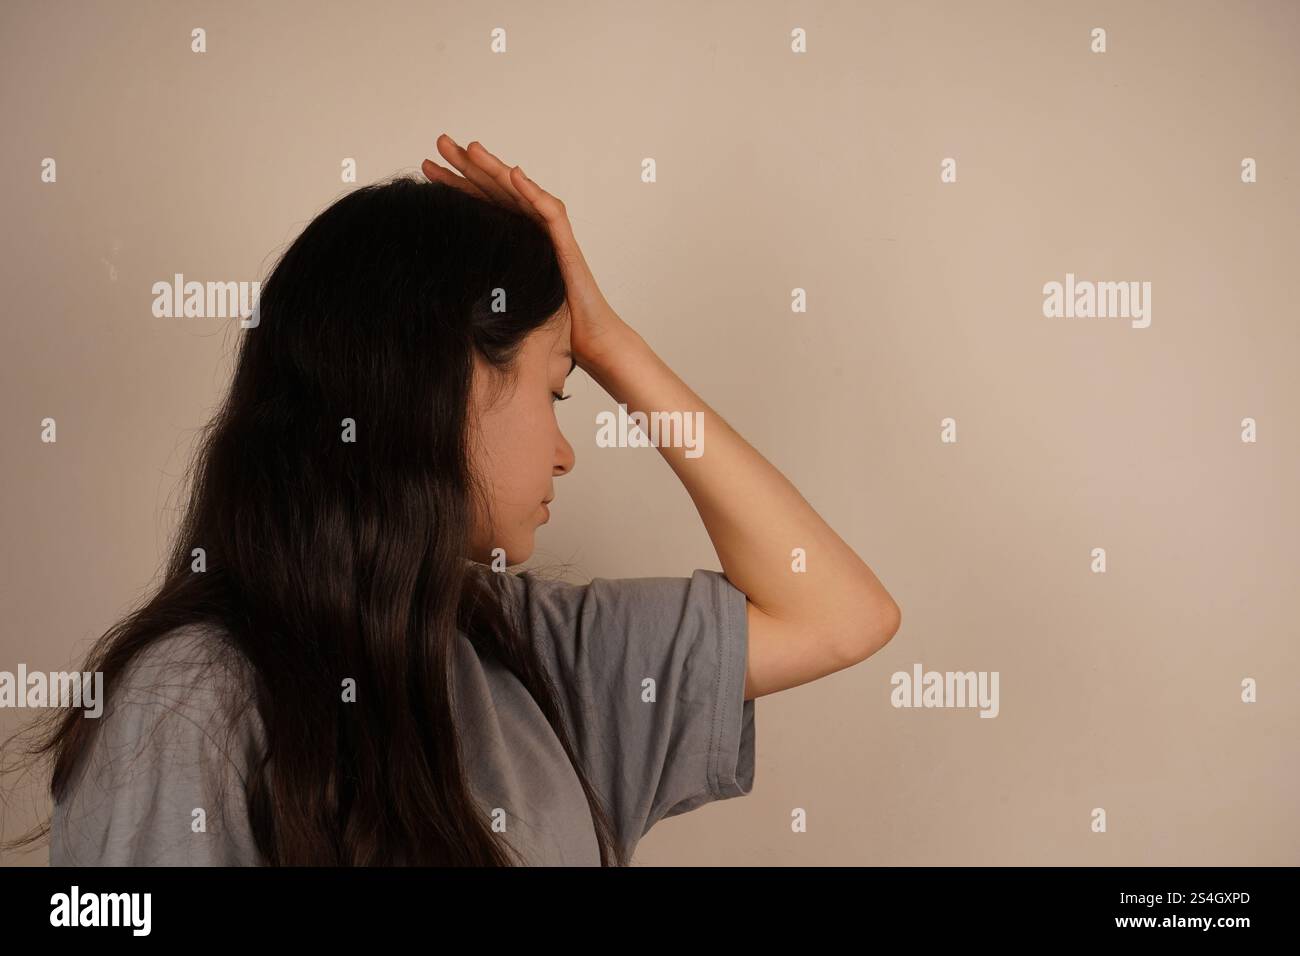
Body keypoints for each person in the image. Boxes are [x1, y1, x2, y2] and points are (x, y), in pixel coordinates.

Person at [8, 135, 901, 866]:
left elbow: (839, 614)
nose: (567, 454)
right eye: (557, 393)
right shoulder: (191, 704)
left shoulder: (538, 656)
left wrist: (607, 341)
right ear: (445, 381)